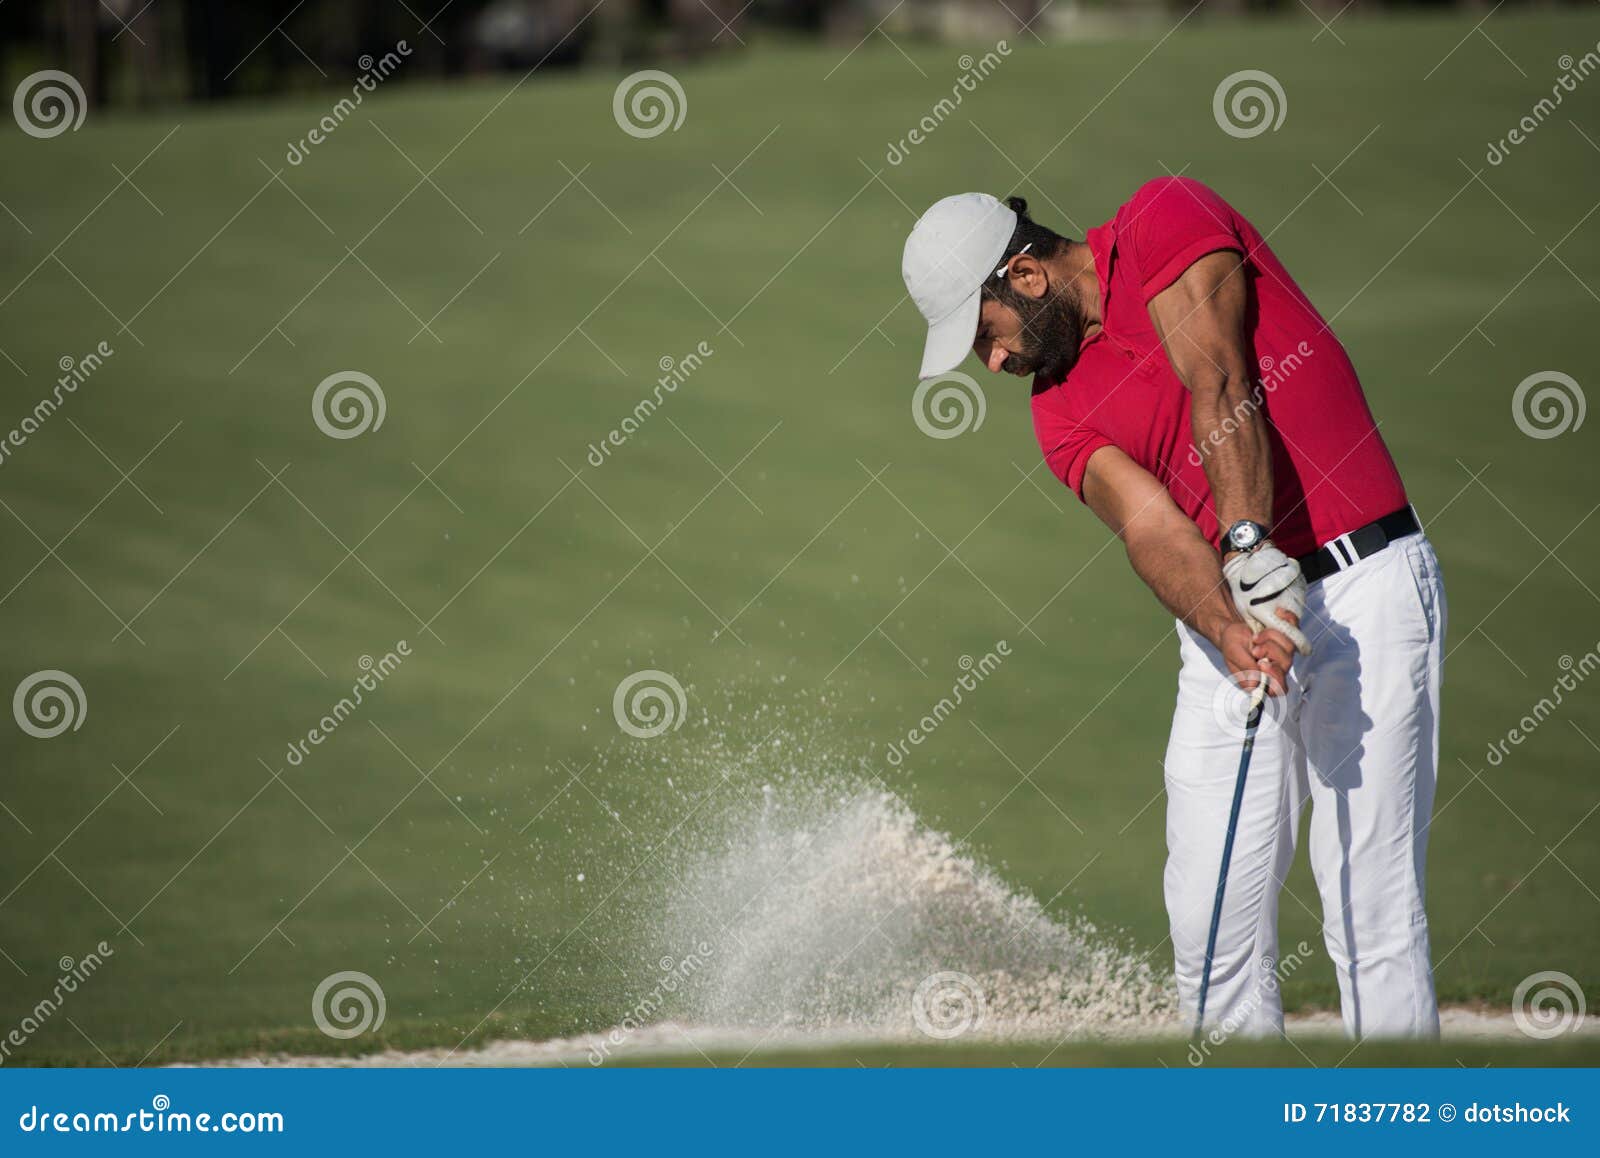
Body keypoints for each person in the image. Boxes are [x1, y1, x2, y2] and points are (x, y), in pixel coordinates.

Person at [901, 178, 1446, 1038]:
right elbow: (1151, 526)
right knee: (1209, 921)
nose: (992, 363)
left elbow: (1219, 377)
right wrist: (1229, 621)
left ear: (1027, 278)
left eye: (983, 334)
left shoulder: (1163, 218)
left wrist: (1247, 545)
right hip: (1228, 623)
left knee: (1365, 903)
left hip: (1362, 589)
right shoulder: (1057, 414)